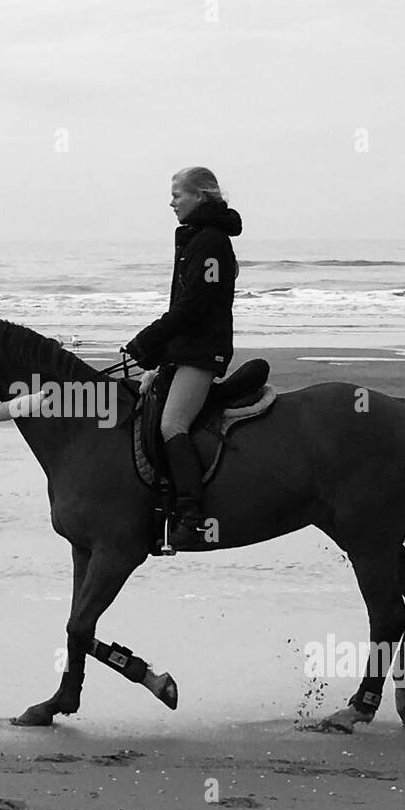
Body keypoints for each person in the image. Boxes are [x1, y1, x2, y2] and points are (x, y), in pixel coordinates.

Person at [124, 167, 242, 549]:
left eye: (178, 194)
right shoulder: (195, 238)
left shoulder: (211, 241)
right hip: (186, 350)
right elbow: (185, 307)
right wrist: (158, 355)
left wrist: (148, 341)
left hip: (203, 353)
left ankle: (191, 515)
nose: (171, 201)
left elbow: (195, 306)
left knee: (172, 423)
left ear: (200, 196)